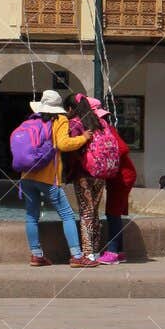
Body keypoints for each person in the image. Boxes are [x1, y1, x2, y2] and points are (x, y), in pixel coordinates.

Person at [17, 90, 92, 268]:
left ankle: (36, 255)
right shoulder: (60, 120)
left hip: (26, 176)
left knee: (31, 216)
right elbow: (63, 144)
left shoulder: (31, 120)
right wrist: (83, 138)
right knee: (67, 214)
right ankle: (76, 256)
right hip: (48, 176)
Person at [65, 92, 107, 265]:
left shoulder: (75, 123)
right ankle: (95, 251)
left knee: (85, 212)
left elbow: (69, 146)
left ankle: (87, 254)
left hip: (84, 173)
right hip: (100, 172)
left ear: (70, 108)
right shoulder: (100, 122)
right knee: (95, 212)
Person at [99, 113, 137, 264]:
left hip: (122, 177)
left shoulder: (108, 130)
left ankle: (113, 252)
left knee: (113, 212)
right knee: (113, 213)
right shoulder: (105, 130)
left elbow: (123, 149)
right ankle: (120, 252)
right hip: (118, 176)